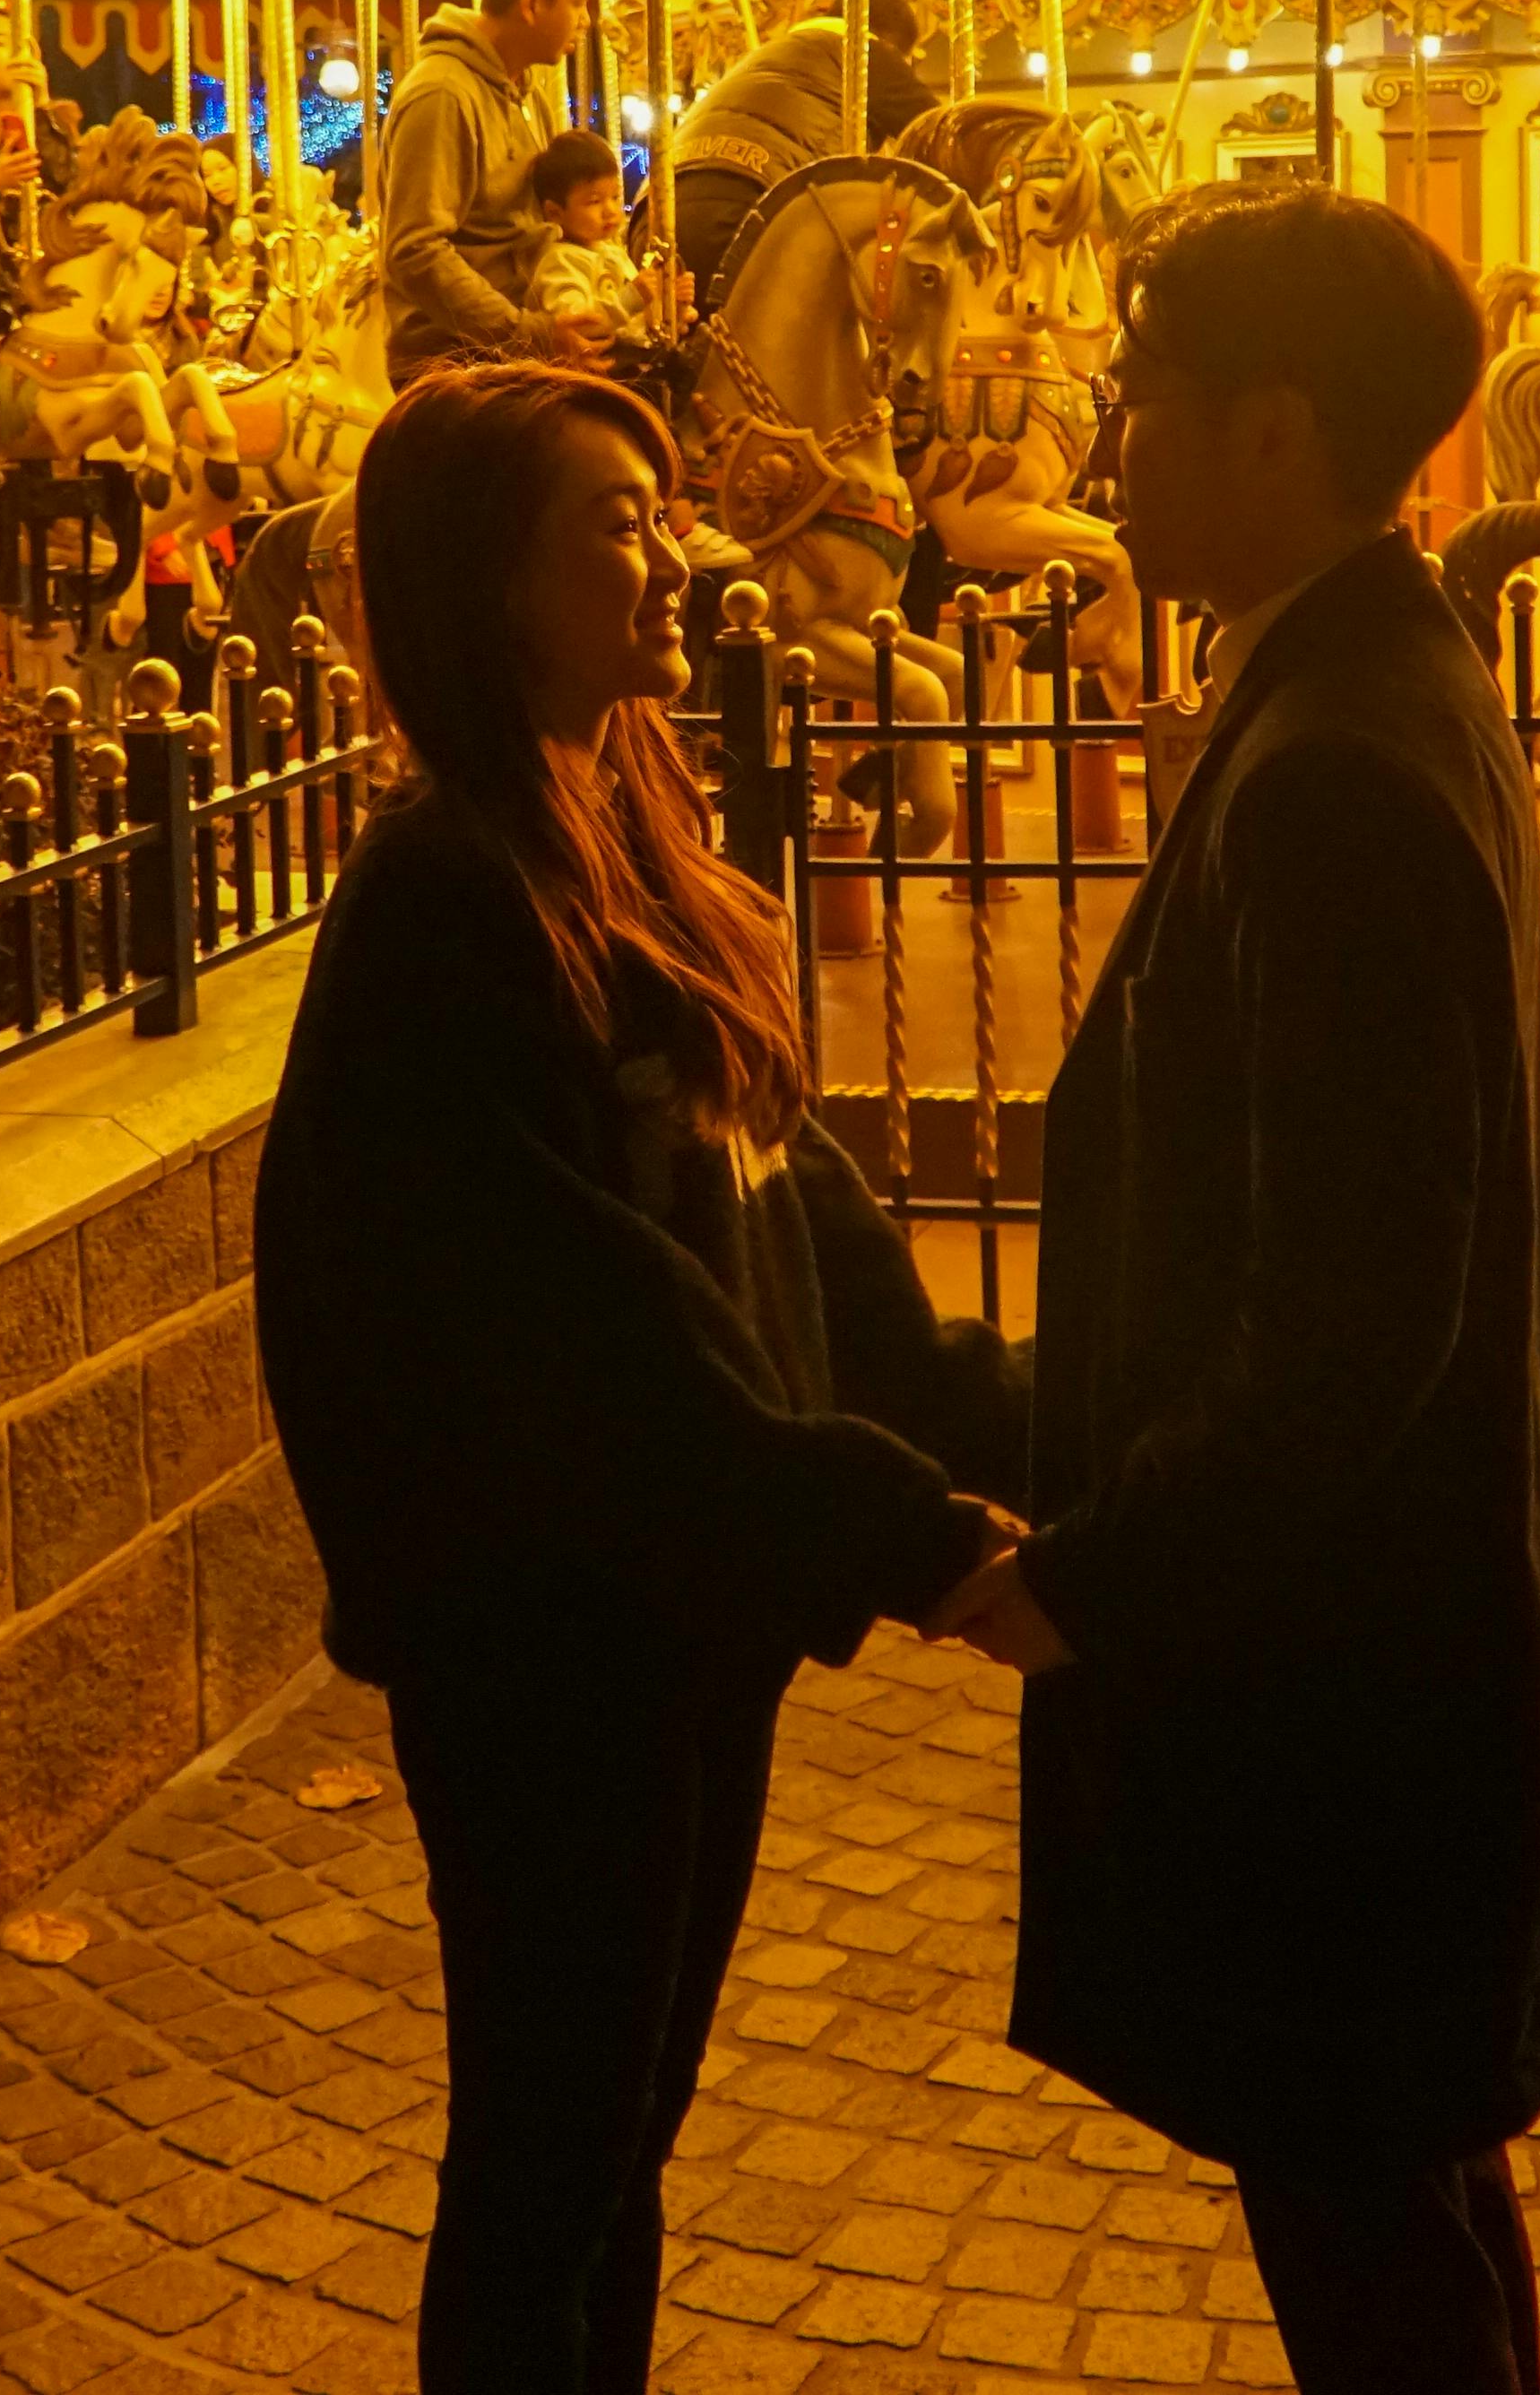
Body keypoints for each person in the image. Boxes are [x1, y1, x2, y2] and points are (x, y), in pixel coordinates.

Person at [255, 363, 1017, 2395]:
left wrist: (988, 1414)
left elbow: (777, 1192)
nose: (671, 550)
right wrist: (914, 1539)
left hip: (686, 1619)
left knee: (621, 2142)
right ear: (480, 578)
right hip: (550, 1643)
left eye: (660, 505)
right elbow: (581, 1327)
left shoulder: (626, 828)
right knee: (548, 2158)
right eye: (611, 516)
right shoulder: (443, 902)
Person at [930, 187, 1540, 2393]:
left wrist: (1101, 1580)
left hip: (1339, 1679)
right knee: (1402, 2196)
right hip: (1372, 1650)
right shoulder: (1352, 678)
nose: (1107, 450)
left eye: (1146, 404)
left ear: (1279, 428)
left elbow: (1349, 1310)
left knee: (1370, 2227)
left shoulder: (1335, 765)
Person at [371, 0, 596, 377]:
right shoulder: (443, 95)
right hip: (454, 360)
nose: (587, 21)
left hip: (519, 342)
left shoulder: (529, 94)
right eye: (579, 3)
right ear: (533, 5)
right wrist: (528, 333)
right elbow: (415, 251)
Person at [663, 0, 939, 300]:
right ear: (892, 47)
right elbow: (946, 135)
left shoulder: (771, 53)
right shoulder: (863, 52)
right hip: (750, 206)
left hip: (663, 209)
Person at [523, 130, 648, 339]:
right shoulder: (559, 262)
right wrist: (632, 297)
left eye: (615, 196)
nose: (610, 210)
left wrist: (671, 305)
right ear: (555, 212)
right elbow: (577, 326)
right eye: (594, 201)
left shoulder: (613, 252)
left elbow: (636, 321)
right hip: (595, 364)